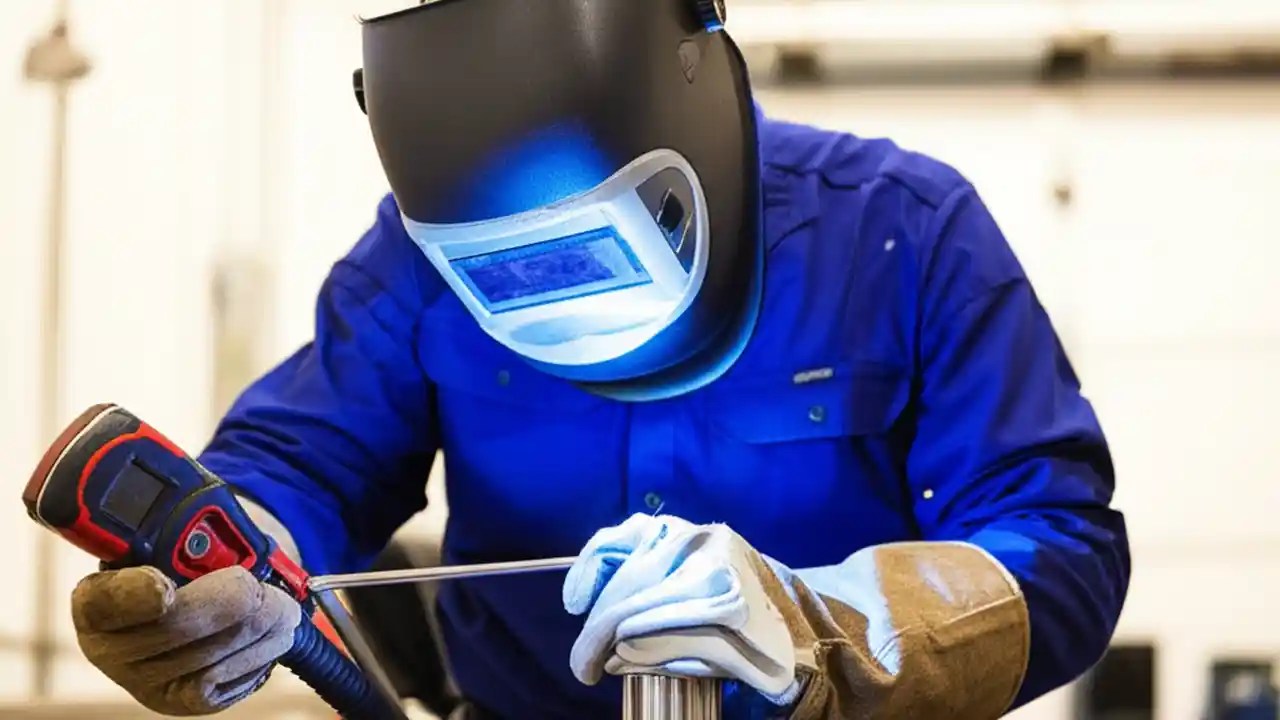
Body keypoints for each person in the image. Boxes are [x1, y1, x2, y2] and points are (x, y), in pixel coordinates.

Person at [65, 1, 1129, 718]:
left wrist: (824, 626)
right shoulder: (419, 256)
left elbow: (1058, 549)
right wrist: (230, 574)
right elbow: (300, 462)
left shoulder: (902, 229)